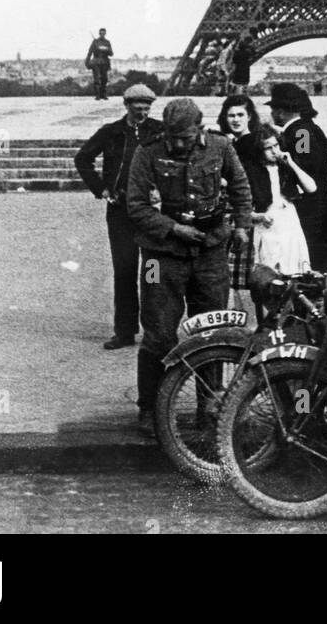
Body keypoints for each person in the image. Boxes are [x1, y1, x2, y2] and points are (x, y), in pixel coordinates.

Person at [126, 98, 252, 438]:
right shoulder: (147, 152)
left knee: (211, 334)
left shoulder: (221, 147)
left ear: (200, 128)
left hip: (210, 254)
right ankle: (151, 408)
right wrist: (174, 229)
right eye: (172, 136)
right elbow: (135, 206)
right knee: (159, 332)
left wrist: (241, 226)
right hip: (159, 257)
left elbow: (240, 187)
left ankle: (210, 409)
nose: (177, 144)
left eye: (184, 137)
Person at [73, 83, 162, 349]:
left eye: (146, 109)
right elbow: (82, 159)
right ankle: (124, 331)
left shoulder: (159, 131)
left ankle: (155, 329)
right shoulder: (110, 132)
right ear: (126, 106)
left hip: (150, 211)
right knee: (124, 271)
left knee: (152, 270)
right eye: (137, 109)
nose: (142, 114)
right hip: (120, 209)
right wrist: (101, 189)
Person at [267, 82, 327, 270]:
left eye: (273, 109)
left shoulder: (301, 132)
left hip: (309, 206)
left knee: (312, 257)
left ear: (281, 111)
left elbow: (304, 164)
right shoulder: (305, 129)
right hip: (319, 203)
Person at [217, 94, 267, 317]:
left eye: (240, 115)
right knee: (231, 274)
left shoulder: (255, 144)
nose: (235, 120)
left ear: (249, 117)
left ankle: (249, 322)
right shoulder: (227, 142)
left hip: (247, 214)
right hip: (229, 212)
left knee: (244, 275)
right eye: (231, 115)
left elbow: (259, 182)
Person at [252, 126, 316, 274]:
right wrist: (259, 216)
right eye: (268, 148)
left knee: (294, 265)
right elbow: (242, 207)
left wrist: (291, 163)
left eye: (276, 145)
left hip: (288, 221)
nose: (274, 151)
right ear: (260, 151)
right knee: (270, 270)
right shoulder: (254, 171)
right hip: (267, 224)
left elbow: (311, 188)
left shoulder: (285, 168)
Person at [86, 28, 114, 100]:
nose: (102, 35)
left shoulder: (107, 42)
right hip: (96, 62)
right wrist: (87, 62)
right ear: (99, 34)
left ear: (105, 34)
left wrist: (105, 49)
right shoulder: (95, 42)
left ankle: (103, 94)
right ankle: (97, 95)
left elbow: (111, 53)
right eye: (101, 33)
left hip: (104, 62)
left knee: (104, 79)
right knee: (97, 78)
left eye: (103, 33)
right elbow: (90, 52)